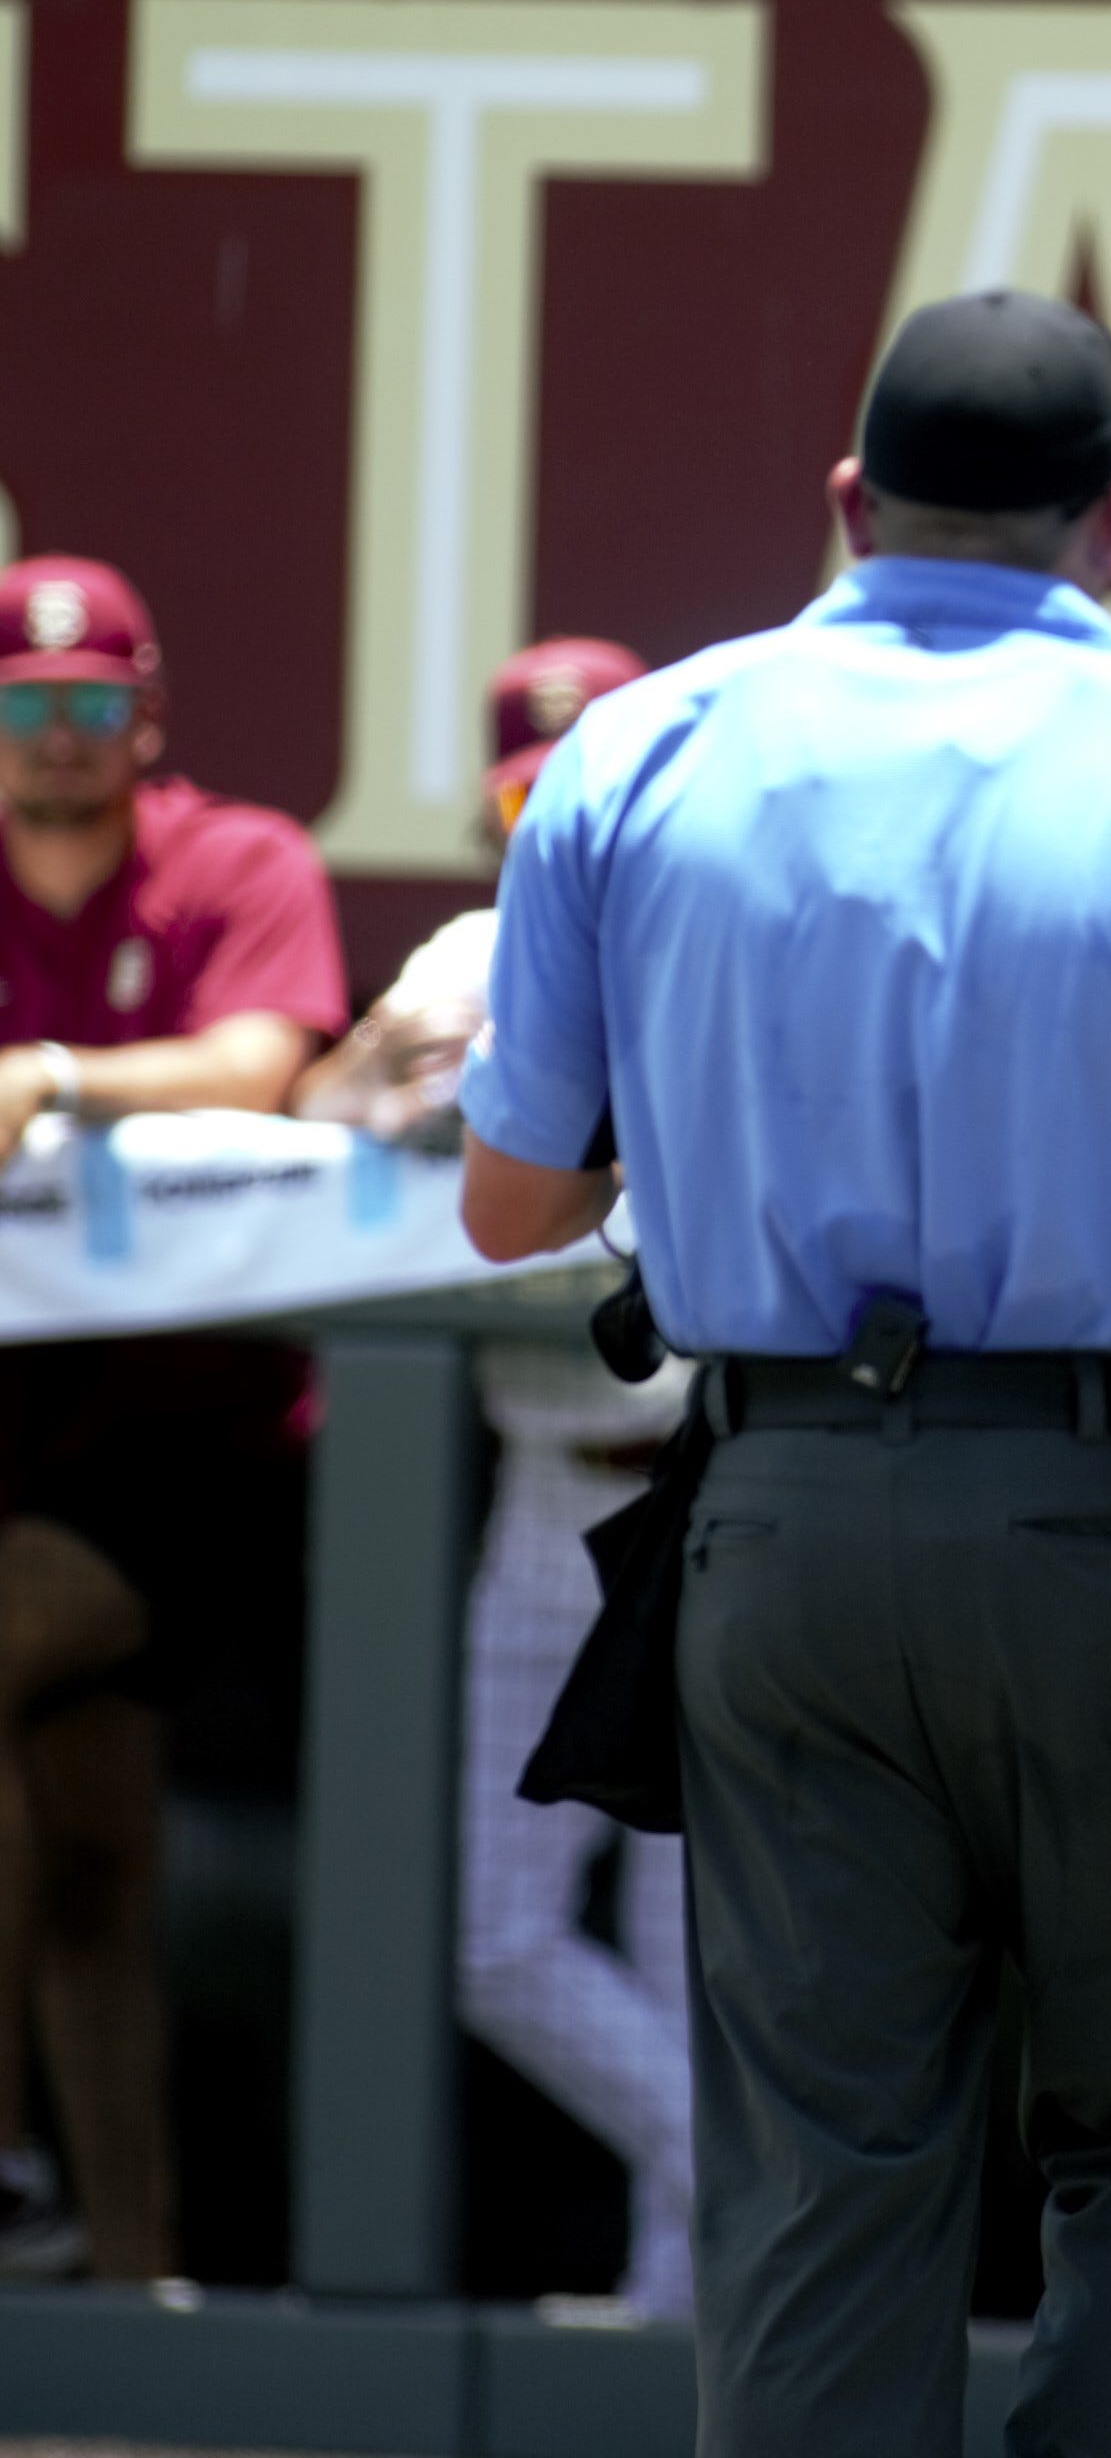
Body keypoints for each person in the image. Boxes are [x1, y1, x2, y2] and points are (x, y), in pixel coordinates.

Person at [453, 289, 1111, 2456]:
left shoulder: (640, 746)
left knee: (824, 2171)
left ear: (845, 500)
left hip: (766, 1511)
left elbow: (504, 1203)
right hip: (1088, 1509)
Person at [295, 634, 698, 2319]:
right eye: (529, 792)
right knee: (482, 1928)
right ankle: (717, 2166)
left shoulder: (713, 931)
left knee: (713, 1951)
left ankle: (691, 2304)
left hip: (705, 1486)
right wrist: (420, 1071)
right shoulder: (472, 944)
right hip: (545, 1486)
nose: (560, 822)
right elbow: (322, 1098)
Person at [0, 554, 346, 2281]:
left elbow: (265, 1058)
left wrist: (47, 1080)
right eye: (24, 707)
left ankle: (6, 2171)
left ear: (145, 716)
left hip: (192, 1441)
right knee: (86, 1866)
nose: (58, 743)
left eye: (90, 707)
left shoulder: (240, 859)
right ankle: (124, 2265)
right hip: (12, 1427)